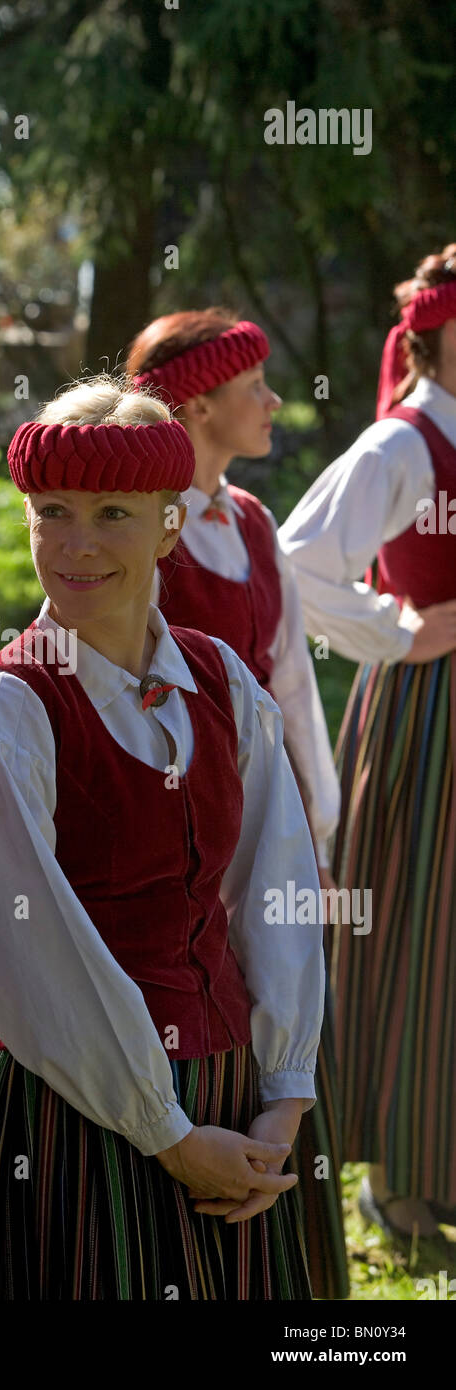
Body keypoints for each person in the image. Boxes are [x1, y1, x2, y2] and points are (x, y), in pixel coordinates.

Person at [0, 376, 324, 1301]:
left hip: (230, 1097)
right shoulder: (7, 711)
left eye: (112, 512)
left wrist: (286, 1091)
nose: (76, 544)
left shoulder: (219, 679)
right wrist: (169, 1135)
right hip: (75, 1116)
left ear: (170, 522)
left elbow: (278, 883)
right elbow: (32, 957)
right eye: (52, 511)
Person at [128, 311, 348, 1298]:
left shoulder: (253, 521)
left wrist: (317, 817)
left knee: (280, 1015)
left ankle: (277, 1262)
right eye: (252, 385)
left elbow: (290, 679)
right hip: (180, 835)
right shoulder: (142, 527)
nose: (271, 402)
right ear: (197, 403)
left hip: (268, 827)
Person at [280, 244, 456, 1240]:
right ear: (434, 334)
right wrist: (399, 629)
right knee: (420, 934)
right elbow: (299, 563)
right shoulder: (400, 447)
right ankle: (395, 1179)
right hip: (428, 713)